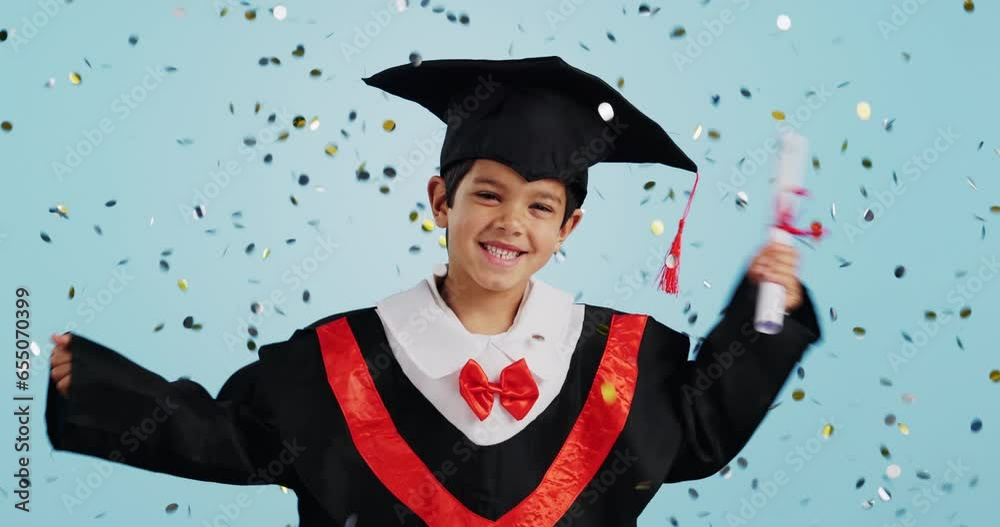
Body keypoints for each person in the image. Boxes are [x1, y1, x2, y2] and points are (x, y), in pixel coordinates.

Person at [47, 56, 821, 526]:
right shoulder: (340, 363)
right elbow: (225, 437)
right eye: (487, 194)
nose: (510, 222)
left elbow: (698, 429)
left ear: (568, 228)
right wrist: (91, 384)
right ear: (440, 202)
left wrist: (765, 312)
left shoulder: (617, 361)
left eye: (540, 205)